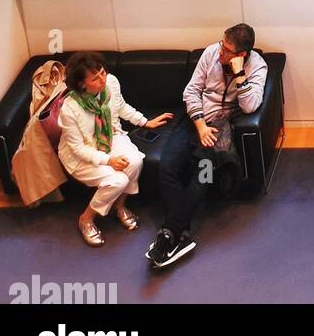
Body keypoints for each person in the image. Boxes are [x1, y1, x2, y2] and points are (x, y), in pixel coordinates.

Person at [146, 23, 267, 270]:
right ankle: (178, 234)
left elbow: (250, 106)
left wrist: (240, 76)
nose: (221, 51)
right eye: (222, 44)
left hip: (219, 128)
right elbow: (191, 91)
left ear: (241, 55)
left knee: (203, 174)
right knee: (167, 167)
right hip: (194, 120)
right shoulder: (211, 52)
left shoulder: (257, 66)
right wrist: (200, 125)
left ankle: (168, 235)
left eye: (227, 50)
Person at [58, 52, 173, 248]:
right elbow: (77, 148)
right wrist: (108, 161)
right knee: (117, 179)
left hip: (109, 136)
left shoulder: (110, 82)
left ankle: (120, 206)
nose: (102, 79)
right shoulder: (69, 109)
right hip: (83, 153)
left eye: (103, 72)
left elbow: (120, 107)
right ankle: (86, 219)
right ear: (81, 84)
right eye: (95, 78)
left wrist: (145, 122)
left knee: (135, 161)